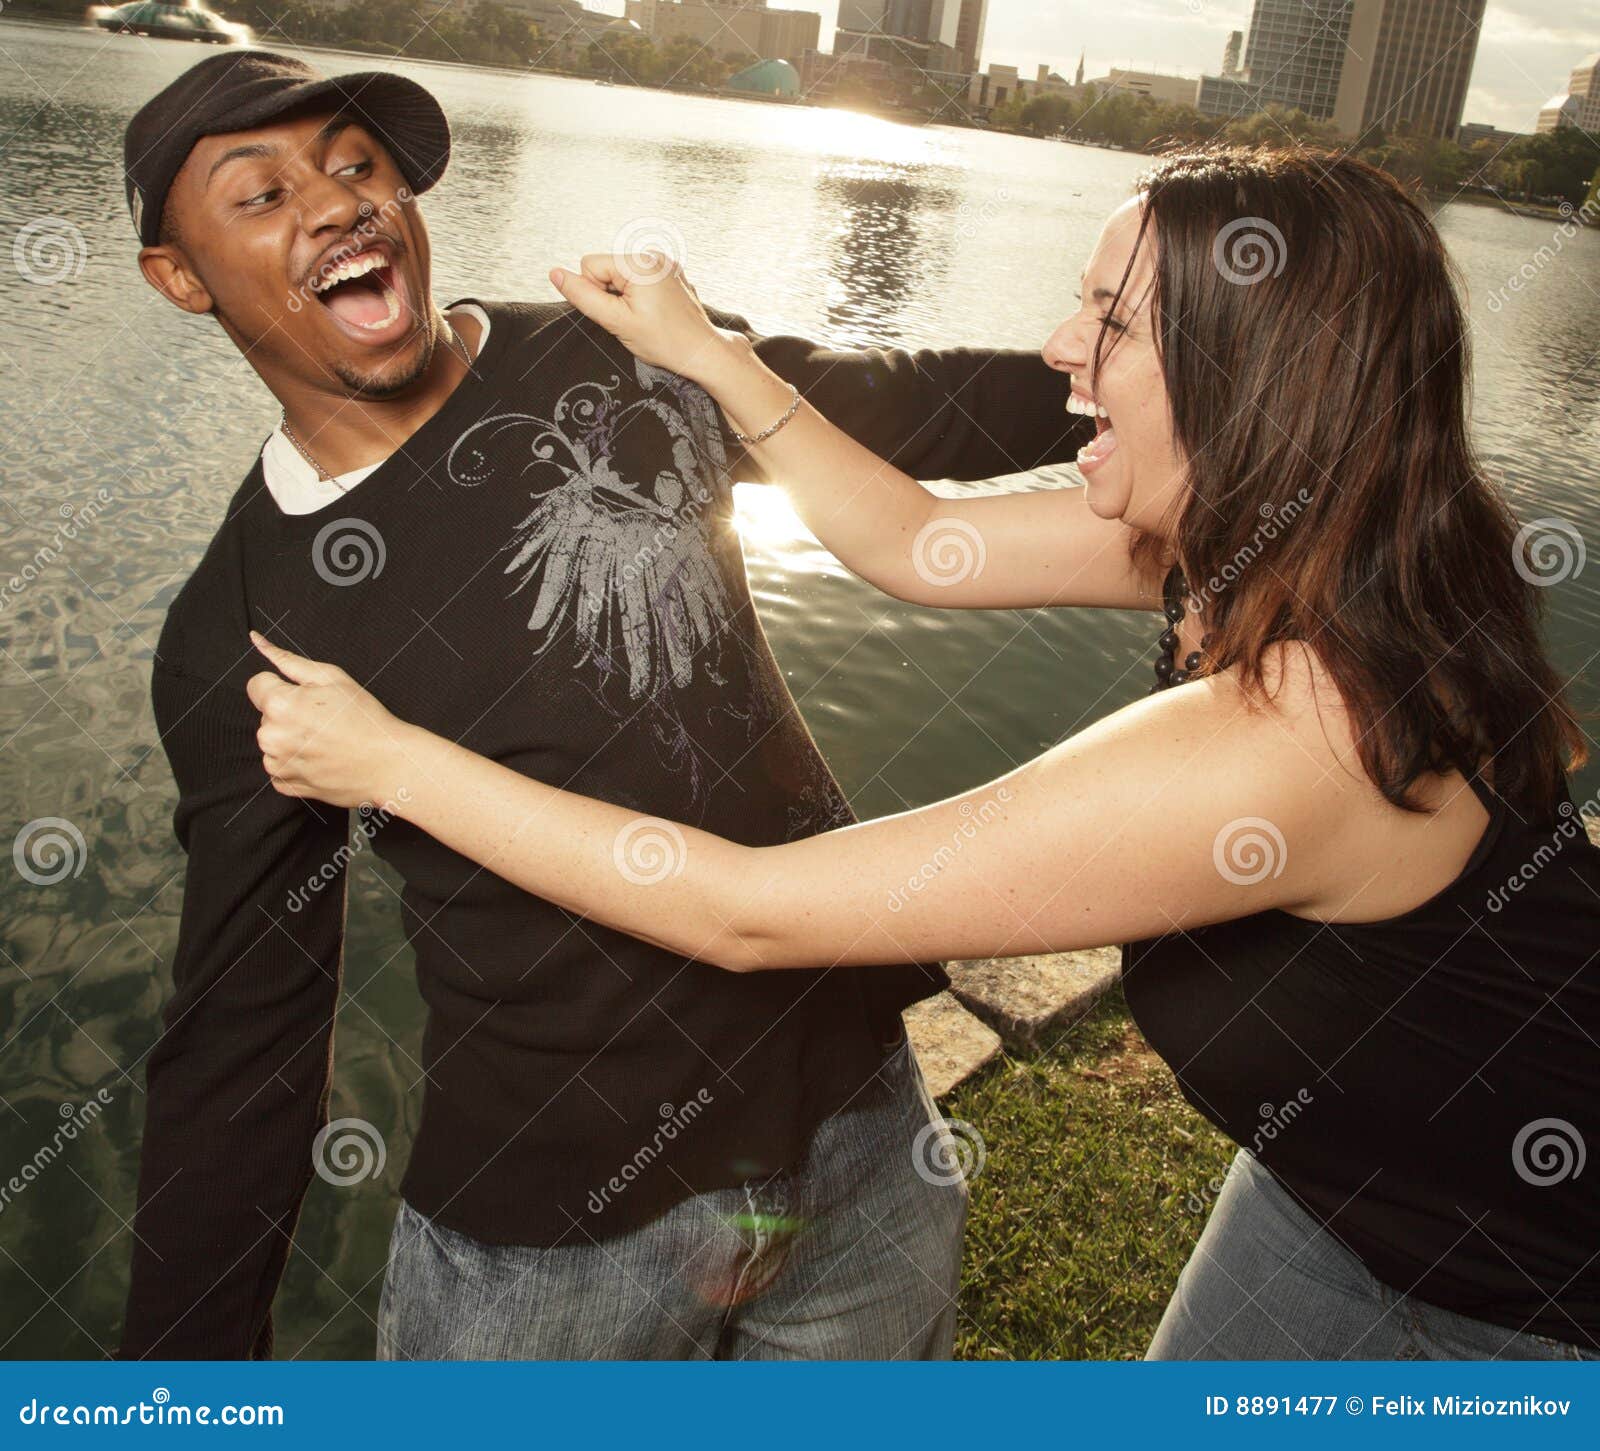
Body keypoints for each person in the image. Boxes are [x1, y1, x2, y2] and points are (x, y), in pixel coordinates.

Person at [247, 147, 1600, 1361]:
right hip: (1340, 1185)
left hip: (1525, 1296)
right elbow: (913, 545)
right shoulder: (1289, 551)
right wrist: (712, 356)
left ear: (1261, 376)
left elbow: (746, 912)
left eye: (1114, 323)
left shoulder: (1296, 744)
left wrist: (392, 763)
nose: (1062, 349)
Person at [117, 50, 1098, 1361]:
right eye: (264, 194)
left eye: (358, 166)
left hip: (857, 1116)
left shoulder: (618, 347)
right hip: (554, 1245)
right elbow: (247, 1030)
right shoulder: (243, 625)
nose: (340, 203)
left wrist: (1173, 386)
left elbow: (899, 405)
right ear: (179, 277)